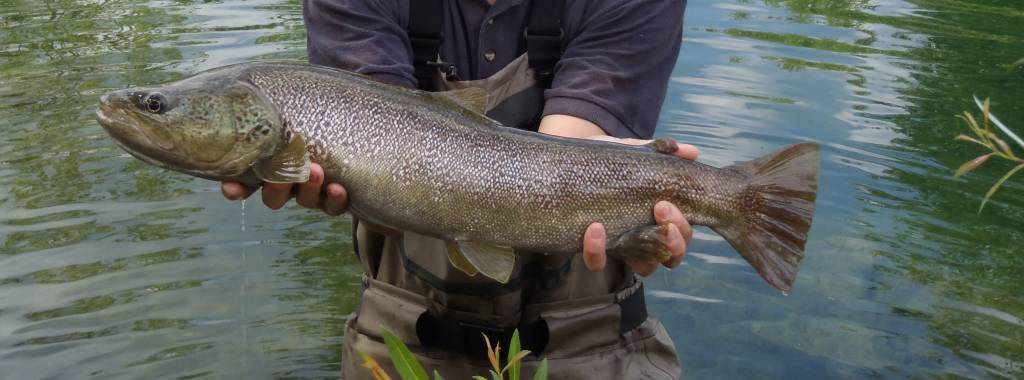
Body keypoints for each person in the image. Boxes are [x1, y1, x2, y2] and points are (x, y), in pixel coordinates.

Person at [222, 0, 693, 378]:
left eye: (155, 108)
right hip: (400, 339)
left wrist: (631, 211)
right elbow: (379, 142)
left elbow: (565, 155)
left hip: (591, 342)